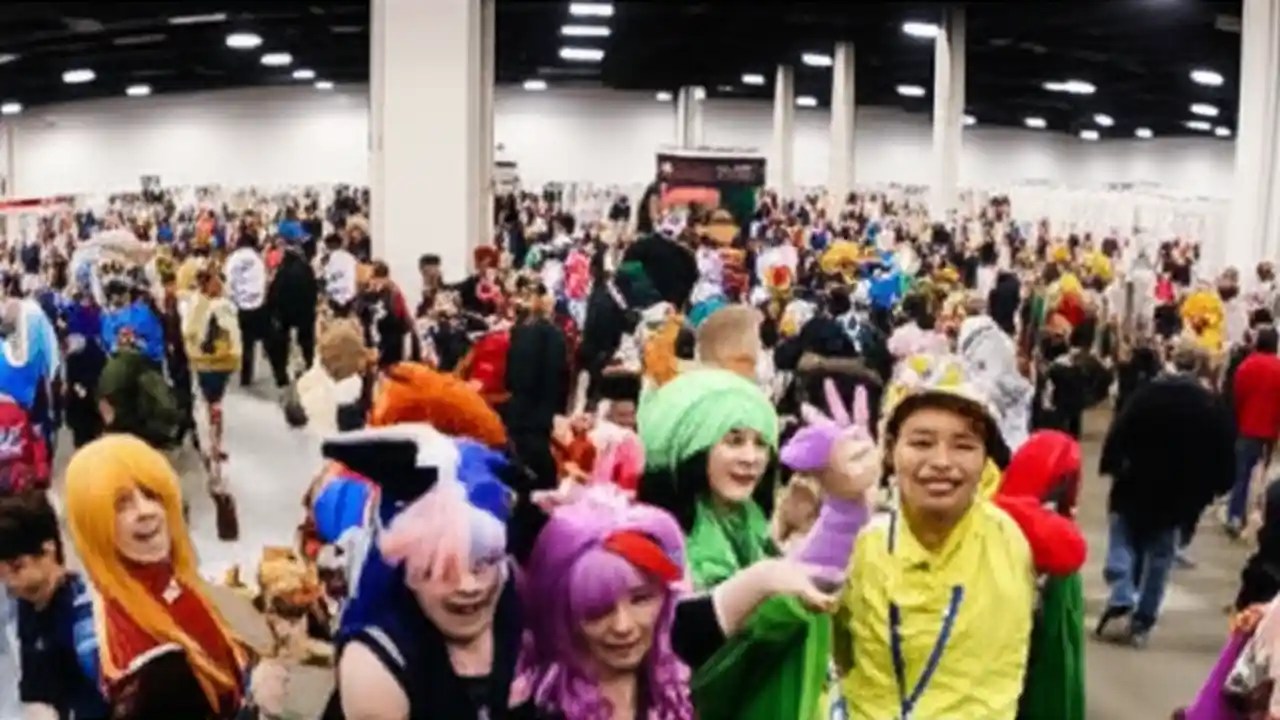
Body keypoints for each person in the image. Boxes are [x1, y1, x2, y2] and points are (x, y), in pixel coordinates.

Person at [836, 354, 1038, 718]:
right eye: (922, 443)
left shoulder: (1014, 543)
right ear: (890, 451)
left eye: (964, 445)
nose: (942, 462)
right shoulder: (859, 546)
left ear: (985, 459)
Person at [62, 435, 285, 718]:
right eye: (121, 504)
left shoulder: (164, 581)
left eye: (151, 493)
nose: (146, 511)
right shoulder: (138, 656)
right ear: (93, 525)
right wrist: (258, 706)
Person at [1097, 341, 1235, 646]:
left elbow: (1120, 430)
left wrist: (1112, 464)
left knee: (1123, 538)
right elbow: (1224, 449)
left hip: (1135, 483)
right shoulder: (1209, 406)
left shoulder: (1147, 394)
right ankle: (1142, 622)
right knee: (1160, 558)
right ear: (1200, 367)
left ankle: (1121, 588)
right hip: (1177, 494)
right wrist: (1219, 485)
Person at [515, 487, 692, 719]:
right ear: (562, 614)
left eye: (640, 599)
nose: (623, 626)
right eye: (598, 610)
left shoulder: (679, 685)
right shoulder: (534, 709)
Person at [0, 491, 109, 720]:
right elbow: (36, 694)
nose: (9, 582)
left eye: (17, 567)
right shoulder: (26, 610)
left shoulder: (85, 615)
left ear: (48, 551)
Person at [182, 264, 243, 541]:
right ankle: (213, 448)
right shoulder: (205, 306)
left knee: (214, 406)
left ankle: (215, 446)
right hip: (211, 364)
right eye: (216, 281)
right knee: (212, 406)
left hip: (215, 364)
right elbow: (195, 333)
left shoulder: (206, 304)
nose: (220, 285)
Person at [1228, 326, 1280, 535]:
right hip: (1271, 430)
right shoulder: (1278, 368)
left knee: (1241, 476)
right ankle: (1262, 517)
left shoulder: (1246, 366)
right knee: (1265, 478)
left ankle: (1235, 515)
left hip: (1247, 427)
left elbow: (1237, 396)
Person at [223, 231, 270, 387]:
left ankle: (234, 369)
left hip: (238, 305)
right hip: (256, 305)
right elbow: (264, 281)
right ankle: (247, 375)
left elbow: (228, 281)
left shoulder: (233, 259)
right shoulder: (258, 259)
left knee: (237, 339)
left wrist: (232, 299)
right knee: (249, 342)